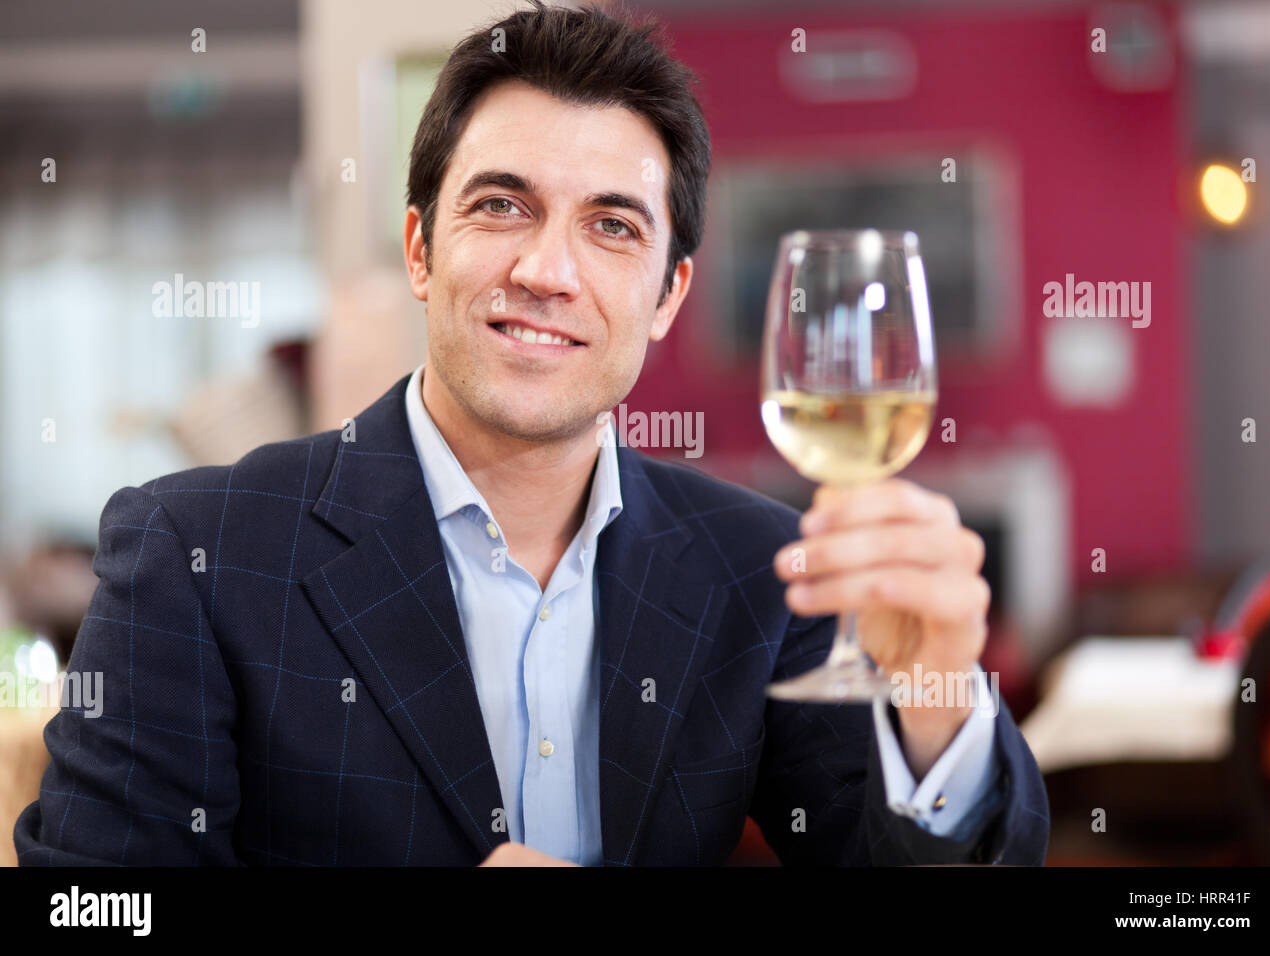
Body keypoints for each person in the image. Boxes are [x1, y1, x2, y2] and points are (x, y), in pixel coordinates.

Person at [15, 0, 1048, 866]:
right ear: (421, 249)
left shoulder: (762, 572)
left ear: (666, 296)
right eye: (502, 205)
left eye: (611, 226)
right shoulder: (193, 549)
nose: (548, 271)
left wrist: (936, 702)